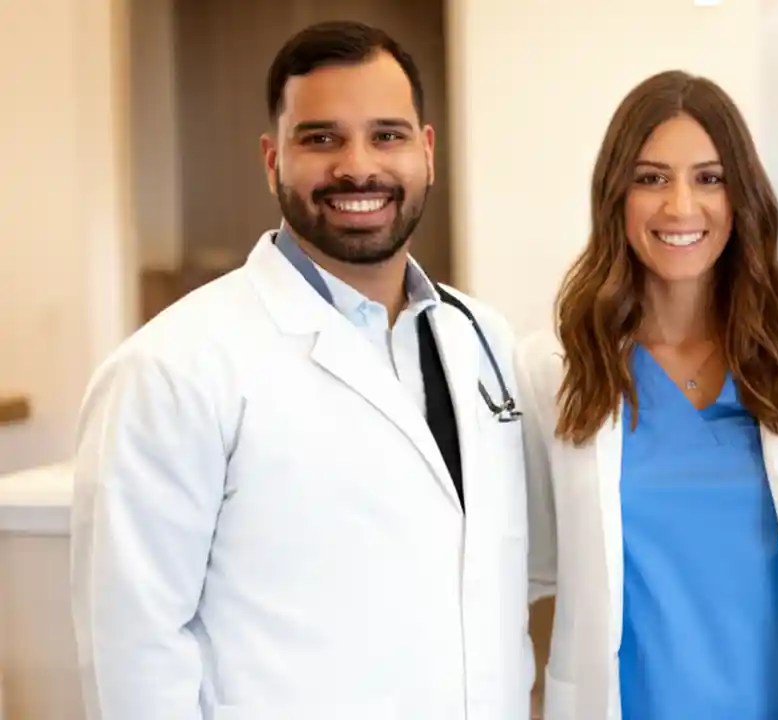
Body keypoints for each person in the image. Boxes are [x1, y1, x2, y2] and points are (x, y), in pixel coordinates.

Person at [70, 21, 531, 720]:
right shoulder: (171, 369)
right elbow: (134, 651)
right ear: (271, 159)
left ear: (427, 152)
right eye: (321, 138)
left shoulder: (483, 339)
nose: (357, 167)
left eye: (387, 134)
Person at [517, 70, 778, 720]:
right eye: (650, 178)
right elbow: (530, 566)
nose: (681, 206)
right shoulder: (552, 366)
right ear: (614, 195)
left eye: (710, 178)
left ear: (743, 194)